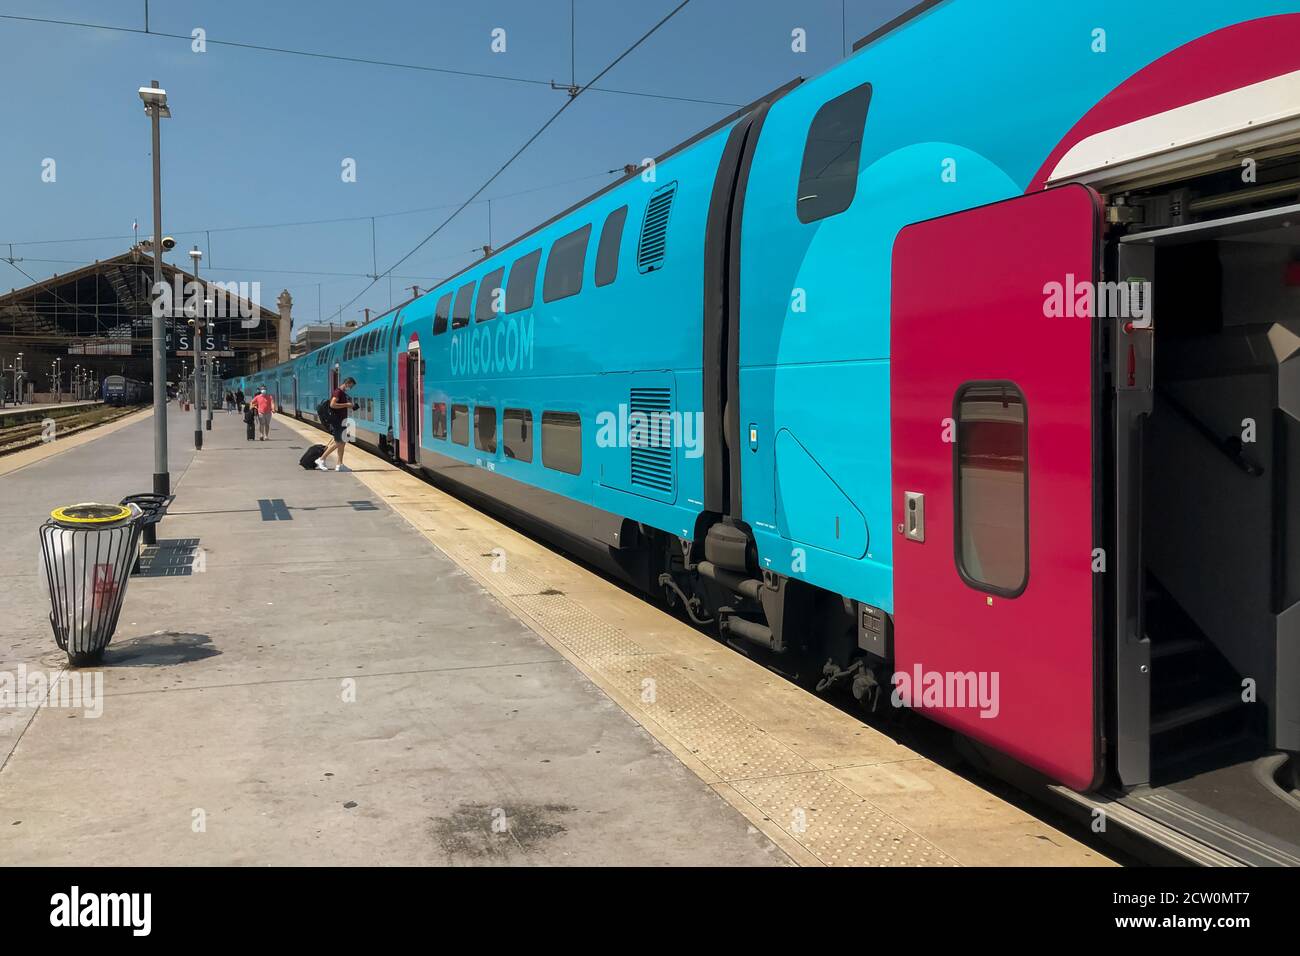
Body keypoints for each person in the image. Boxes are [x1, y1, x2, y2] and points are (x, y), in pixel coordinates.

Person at [316, 377, 356, 471]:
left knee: (342, 443)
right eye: (351, 386)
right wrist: (346, 405)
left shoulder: (342, 393)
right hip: (337, 421)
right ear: (347, 383)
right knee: (339, 442)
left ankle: (340, 464)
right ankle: (321, 459)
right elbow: (332, 405)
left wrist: (349, 406)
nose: (351, 388)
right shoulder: (337, 392)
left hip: (342, 420)